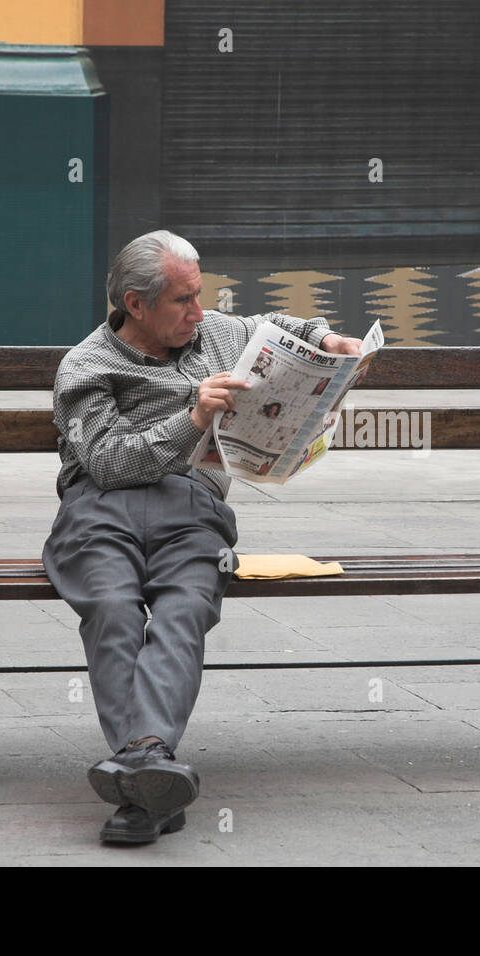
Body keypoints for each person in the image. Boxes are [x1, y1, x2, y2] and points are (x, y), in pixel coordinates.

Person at [42, 230, 362, 845]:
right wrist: (192, 417)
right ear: (136, 304)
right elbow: (107, 463)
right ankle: (150, 772)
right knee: (111, 607)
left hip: (190, 511)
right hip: (99, 510)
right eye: (183, 301)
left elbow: (273, 322)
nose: (199, 311)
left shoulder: (213, 331)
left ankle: (139, 774)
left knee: (184, 608)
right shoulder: (86, 365)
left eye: (200, 295)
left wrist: (325, 339)